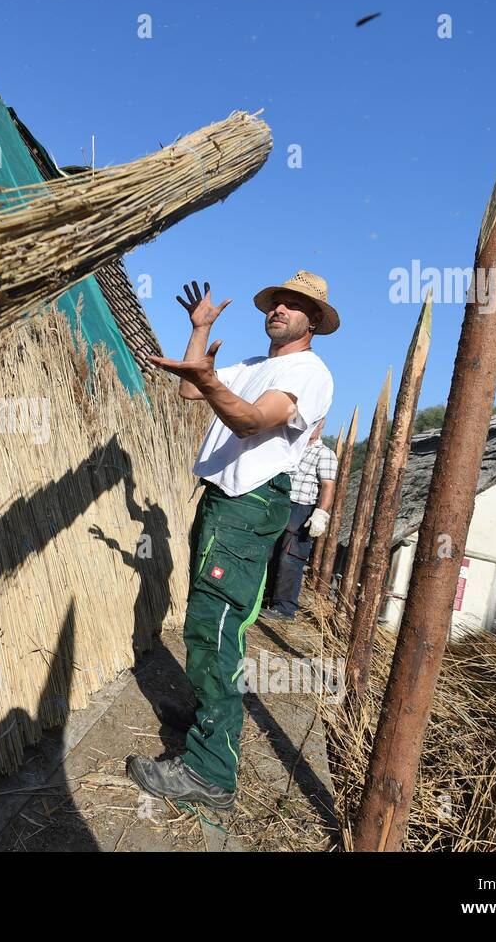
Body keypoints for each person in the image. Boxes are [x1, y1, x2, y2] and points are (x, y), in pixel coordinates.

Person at [127, 270, 338, 811]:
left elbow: (251, 421)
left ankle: (211, 772)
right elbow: (189, 387)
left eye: (295, 306)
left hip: (251, 505)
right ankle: (207, 721)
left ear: (313, 321)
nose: (281, 310)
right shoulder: (252, 364)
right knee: (205, 618)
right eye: (278, 302)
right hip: (222, 500)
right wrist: (199, 334)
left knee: (215, 627)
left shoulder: (309, 372)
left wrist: (211, 378)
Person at [262, 420, 338, 622]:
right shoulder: (292, 448)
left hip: (302, 508)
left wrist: (320, 514)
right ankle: (264, 599)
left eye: (317, 424)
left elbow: (328, 486)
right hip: (280, 502)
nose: (312, 428)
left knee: (291, 557)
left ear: (322, 426)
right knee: (269, 551)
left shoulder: (324, 454)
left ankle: (285, 609)